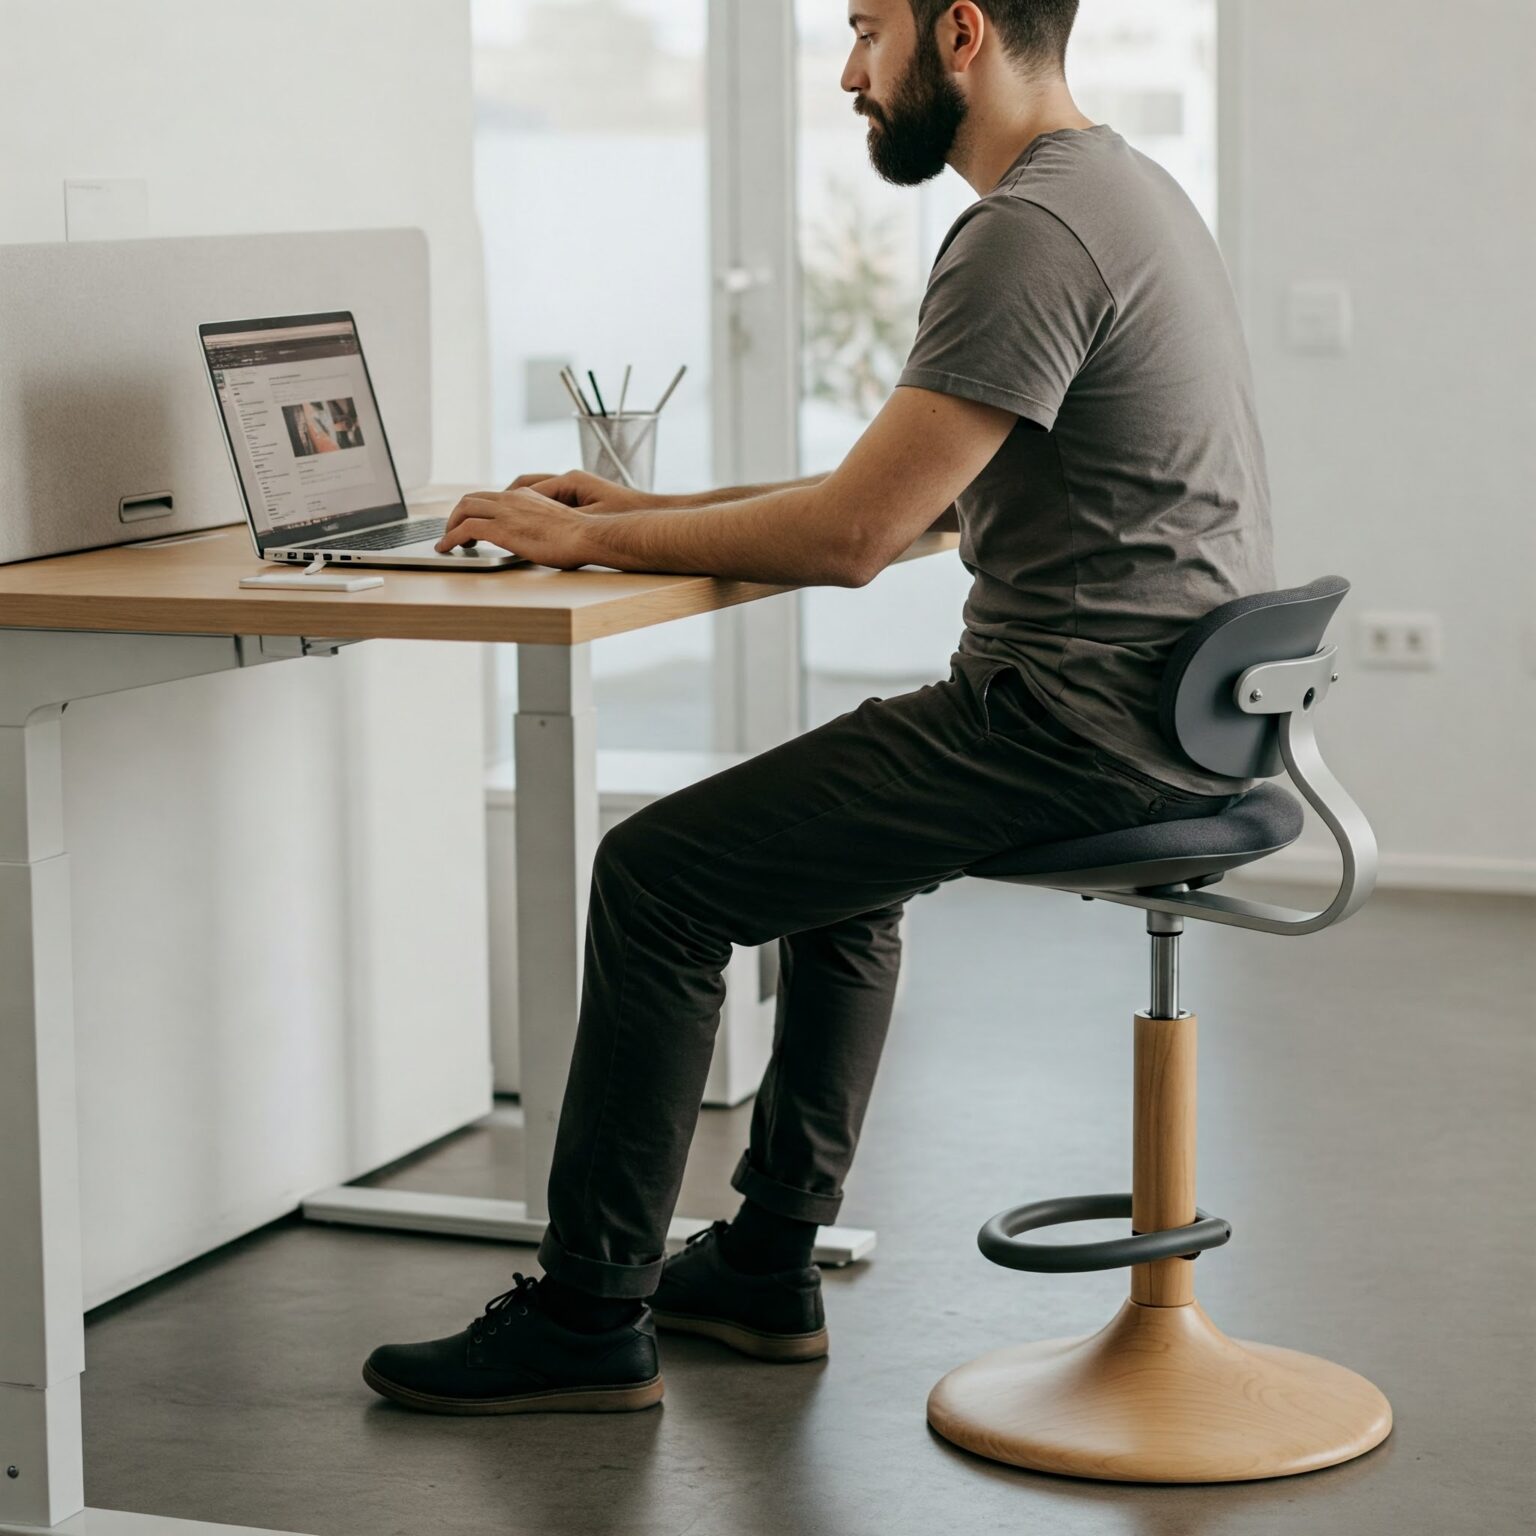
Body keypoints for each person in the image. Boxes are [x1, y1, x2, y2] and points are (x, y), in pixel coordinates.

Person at [363, 0, 1274, 1415]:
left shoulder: (1029, 231)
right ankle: (769, 1259)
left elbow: (854, 541)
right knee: (838, 866)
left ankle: (590, 1314)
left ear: (959, 31)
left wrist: (592, 544)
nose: (850, 71)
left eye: (864, 30)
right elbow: (902, 501)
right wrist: (646, 509)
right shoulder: (1122, 190)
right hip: (1168, 715)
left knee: (656, 874)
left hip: (1075, 728)